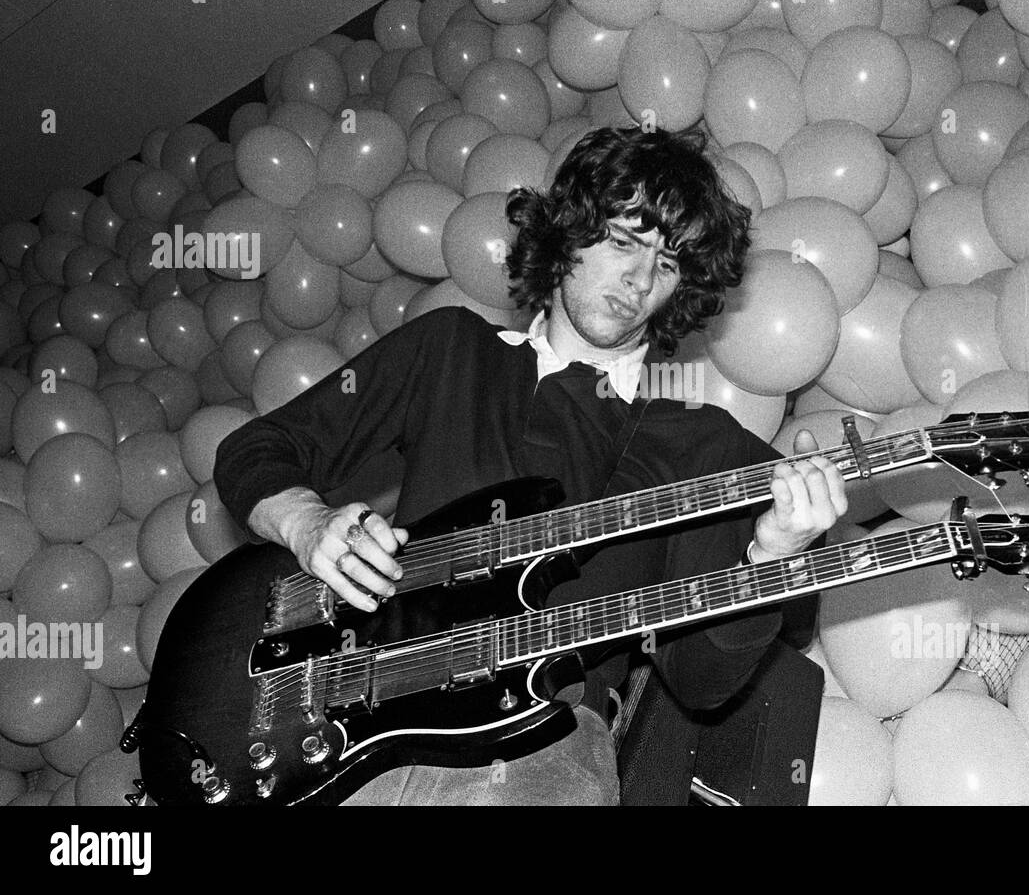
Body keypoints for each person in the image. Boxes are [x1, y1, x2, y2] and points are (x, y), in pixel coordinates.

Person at [212, 126, 848, 805]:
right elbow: (252, 451)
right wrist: (307, 522)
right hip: (351, 740)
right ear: (569, 229)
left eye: (666, 266)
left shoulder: (706, 448)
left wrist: (774, 559)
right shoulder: (451, 348)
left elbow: (698, 681)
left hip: (538, 752)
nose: (638, 279)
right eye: (624, 240)